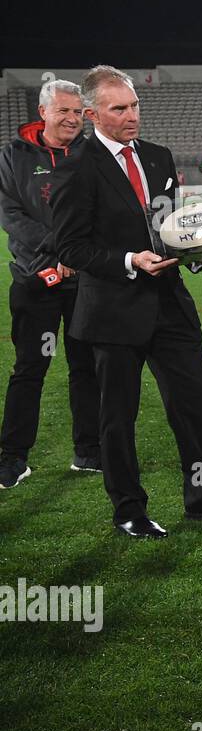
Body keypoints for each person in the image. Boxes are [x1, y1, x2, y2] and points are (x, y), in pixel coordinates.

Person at [50, 65, 202, 538]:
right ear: (92, 113)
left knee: (193, 408)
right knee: (118, 420)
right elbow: (70, 248)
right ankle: (129, 510)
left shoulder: (160, 158)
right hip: (112, 312)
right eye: (119, 108)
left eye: (135, 105)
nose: (131, 115)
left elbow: (174, 232)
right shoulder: (76, 167)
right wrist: (129, 259)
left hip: (170, 306)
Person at [0, 79, 100, 488]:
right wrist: (58, 255)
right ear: (43, 112)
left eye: (78, 112)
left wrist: (77, 259)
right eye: (63, 111)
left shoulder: (93, 154)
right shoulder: (14, 155)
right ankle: (12, 457)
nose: (72, 119)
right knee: (29, 369)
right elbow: (9, 213)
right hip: (35, 281)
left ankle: (89, 452)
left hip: (84, 283)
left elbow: (104, 212)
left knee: (86, 368)